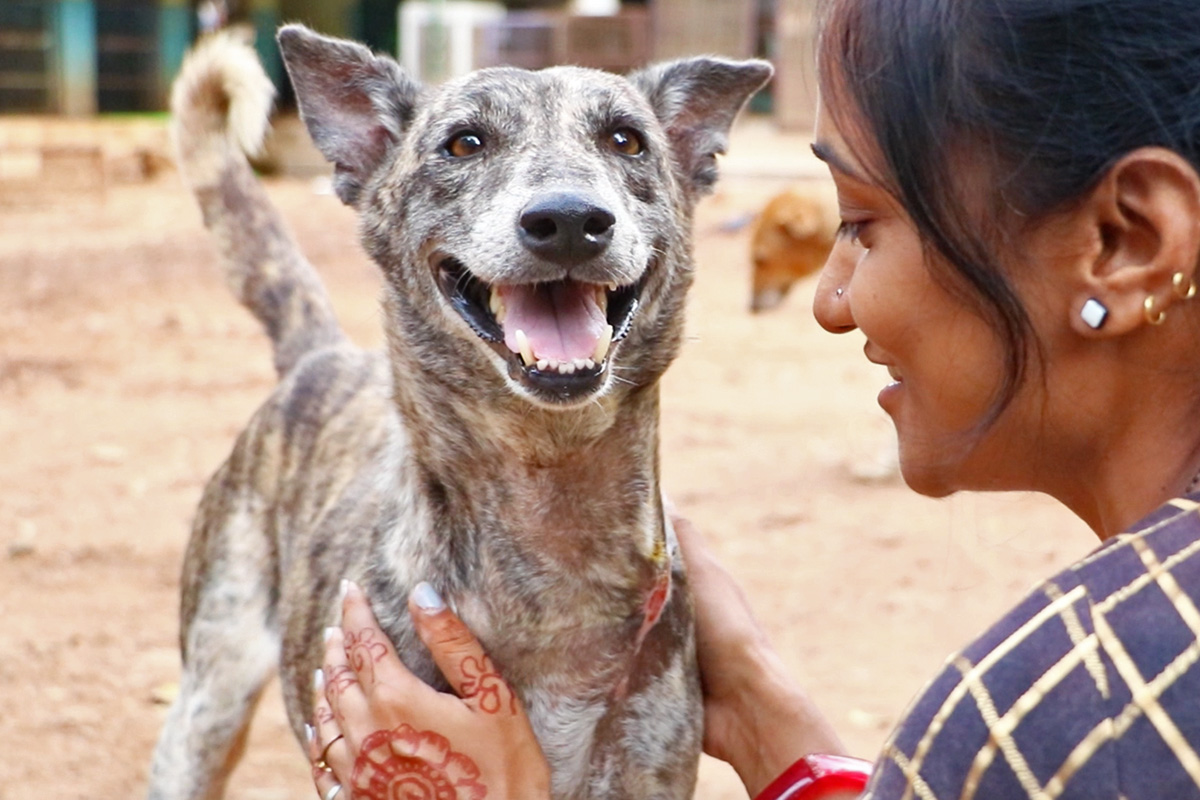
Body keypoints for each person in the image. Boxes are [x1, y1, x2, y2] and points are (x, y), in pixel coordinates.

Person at [306, 0, 1200, 797]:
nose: (827, 302)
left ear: (1125, 240)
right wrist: (773, 724)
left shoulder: (1045, 725)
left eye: (862, 224)